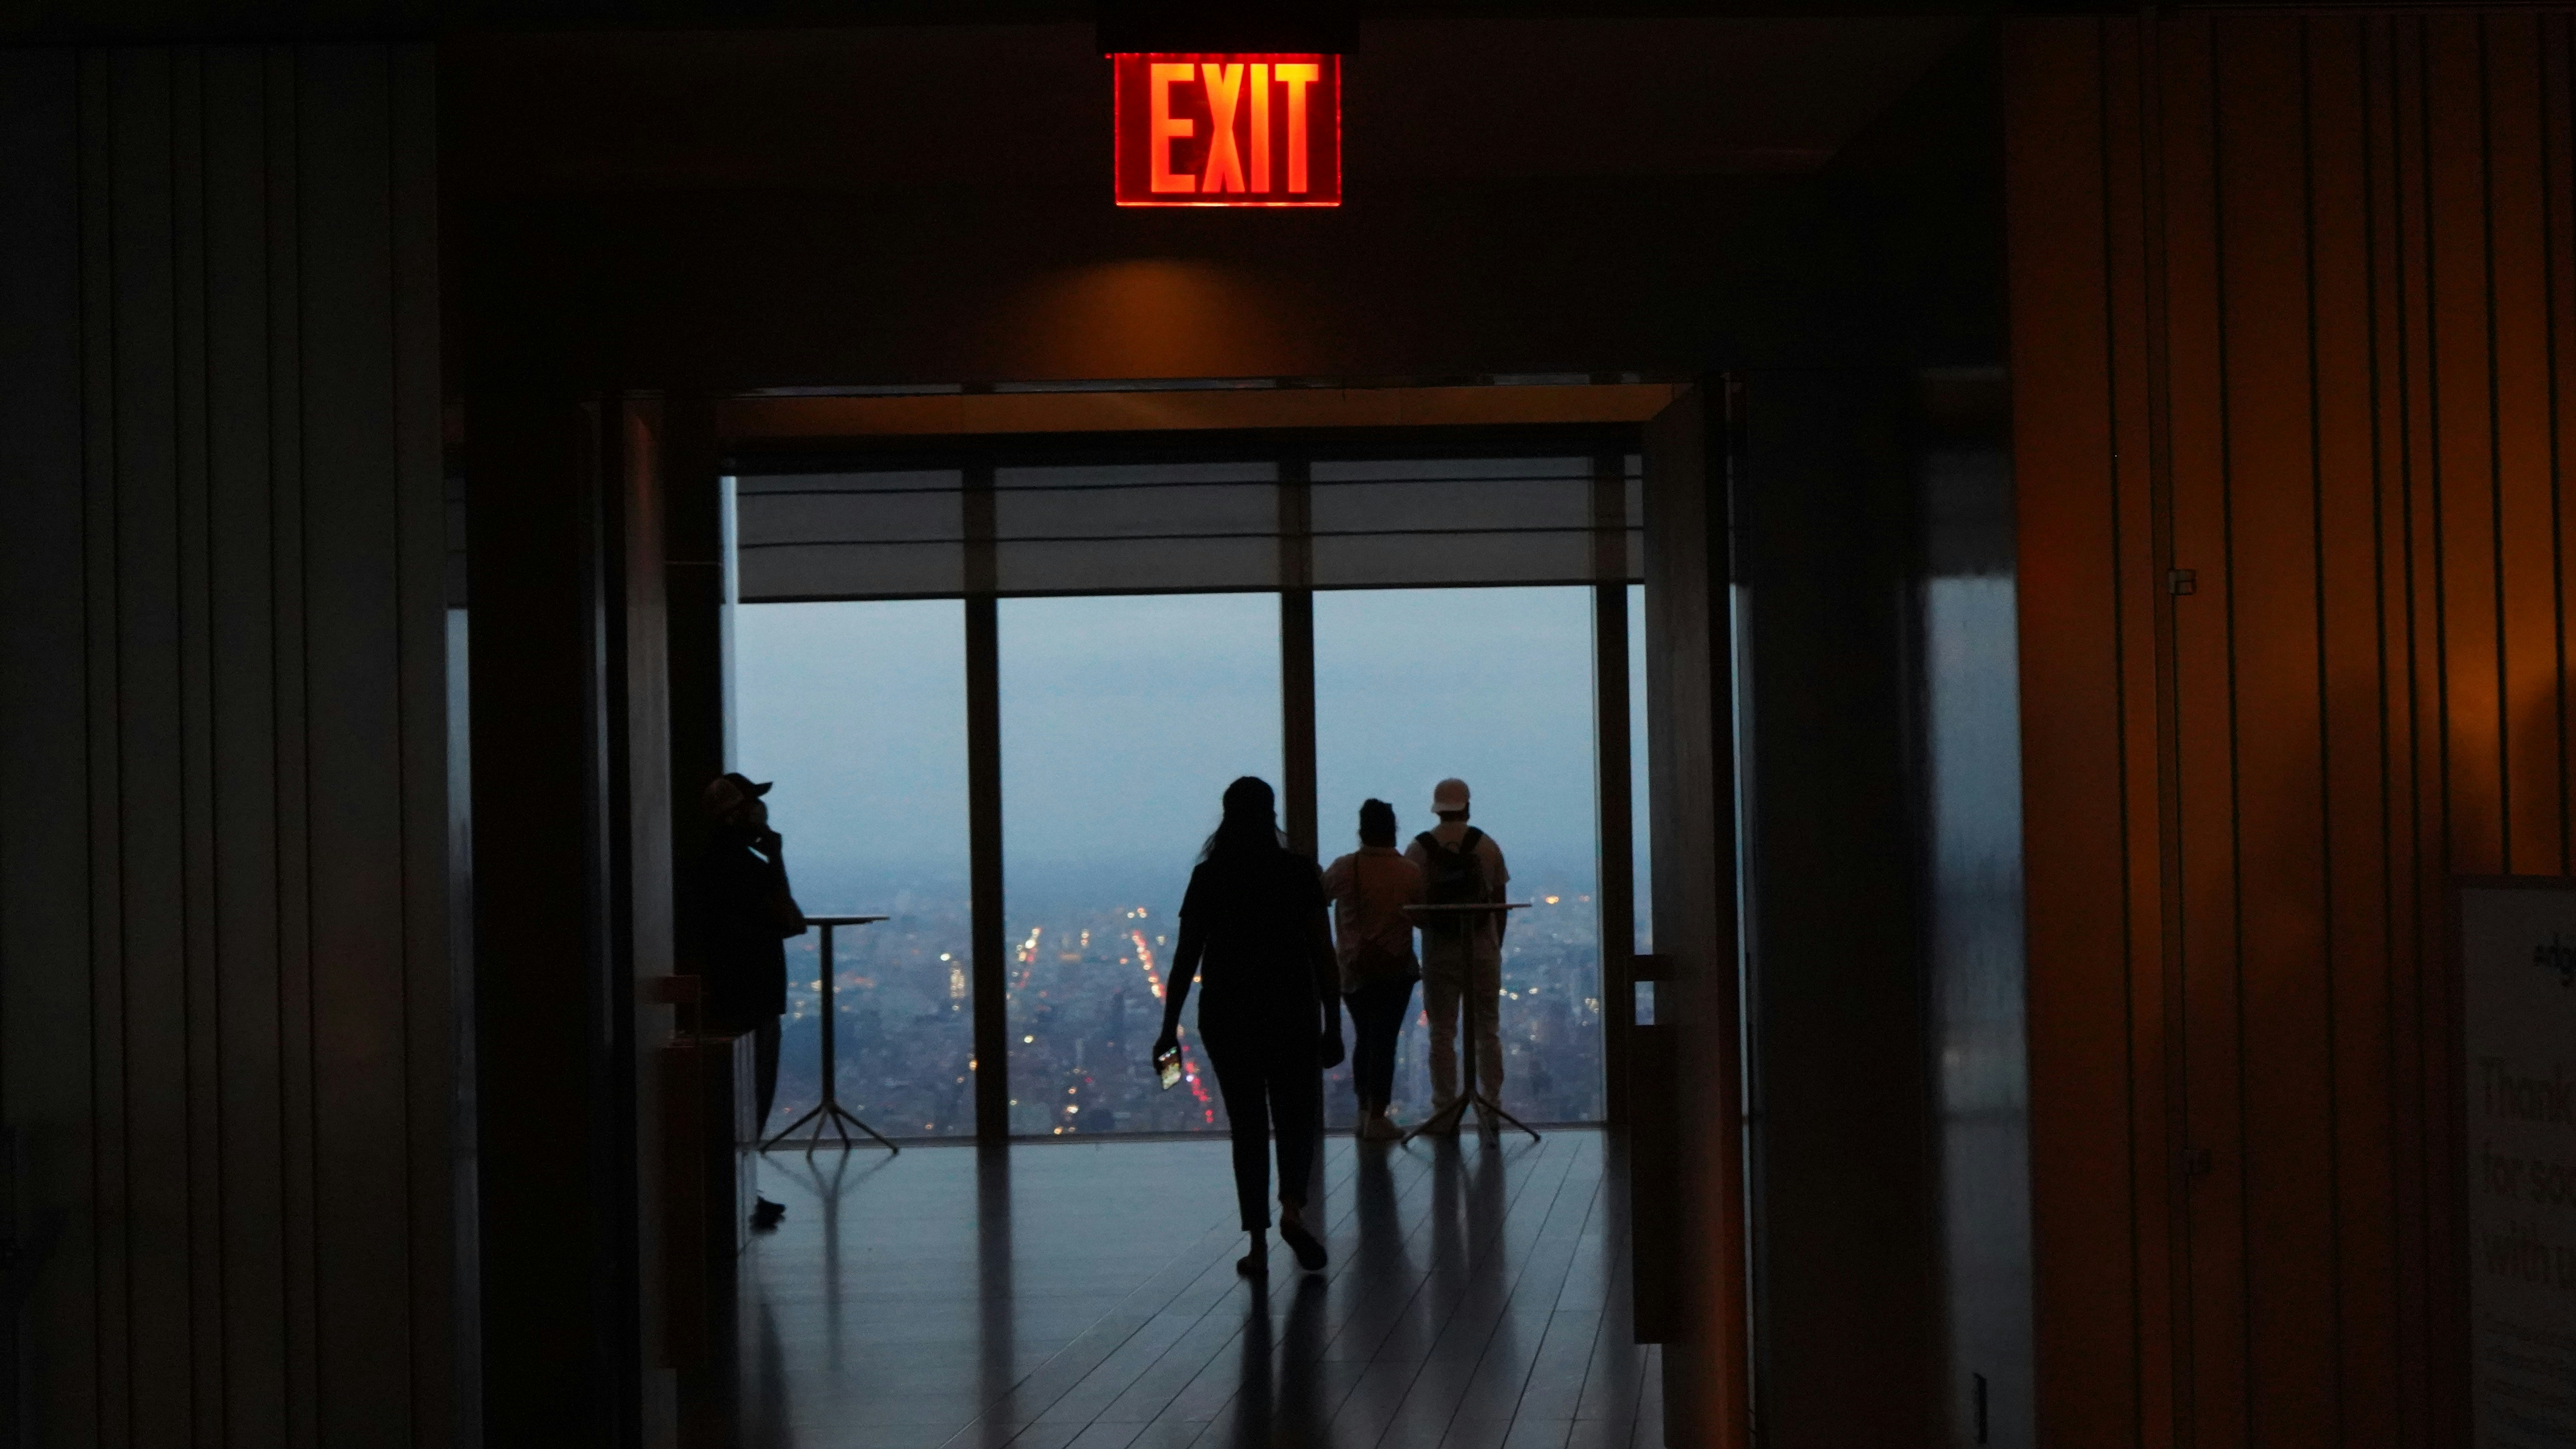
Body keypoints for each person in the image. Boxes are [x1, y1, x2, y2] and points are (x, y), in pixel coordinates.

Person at [1155, 777, 1344, 1279]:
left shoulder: (1210, 874)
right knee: (1295, 1114)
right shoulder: (1298, 872)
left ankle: (1257, 1244)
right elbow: (1322, 954)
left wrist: (1168, 1026)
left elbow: (1186, 956)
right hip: (1291, 1010)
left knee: (1248, 1126)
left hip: (1228, 1012)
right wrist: (1333, 1022)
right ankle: (1292, 1209)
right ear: (1271, 813)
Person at [697, 771, 807, 1228]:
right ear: (736, 814)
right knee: (751, 1098)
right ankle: (736, 1191)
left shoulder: (711, 861)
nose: (761, 814)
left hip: (730, 995)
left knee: (734, 1101)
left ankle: (737, 1190)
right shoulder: (740, 865)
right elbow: (790, 919)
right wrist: (775, 855)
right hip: (753, 995)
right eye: (753, 807)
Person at [1405, 778, 1510, 1134]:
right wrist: (1495, 943)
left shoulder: (1418, 850)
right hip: (1482, 950)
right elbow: (1499, 902)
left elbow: (1412, 908)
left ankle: (1445, 1110)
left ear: (1436, 808)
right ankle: (1492, 1108)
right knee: (1487, 1031)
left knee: (1441, 1033)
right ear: (1467, 806)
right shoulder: (1487, 846)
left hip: (1440, 951)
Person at [1321, 799, 1426, 1142]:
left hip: (1354, 969)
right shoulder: (1410, 871)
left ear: (1361, 831)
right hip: (1397, 970)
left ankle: (1364, 1111)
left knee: (1365, 1039)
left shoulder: (1344, 868)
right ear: (1393, 830)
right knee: (1385, 1041)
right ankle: (1378, 1114)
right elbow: (1424, 918)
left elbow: (1317, 899)